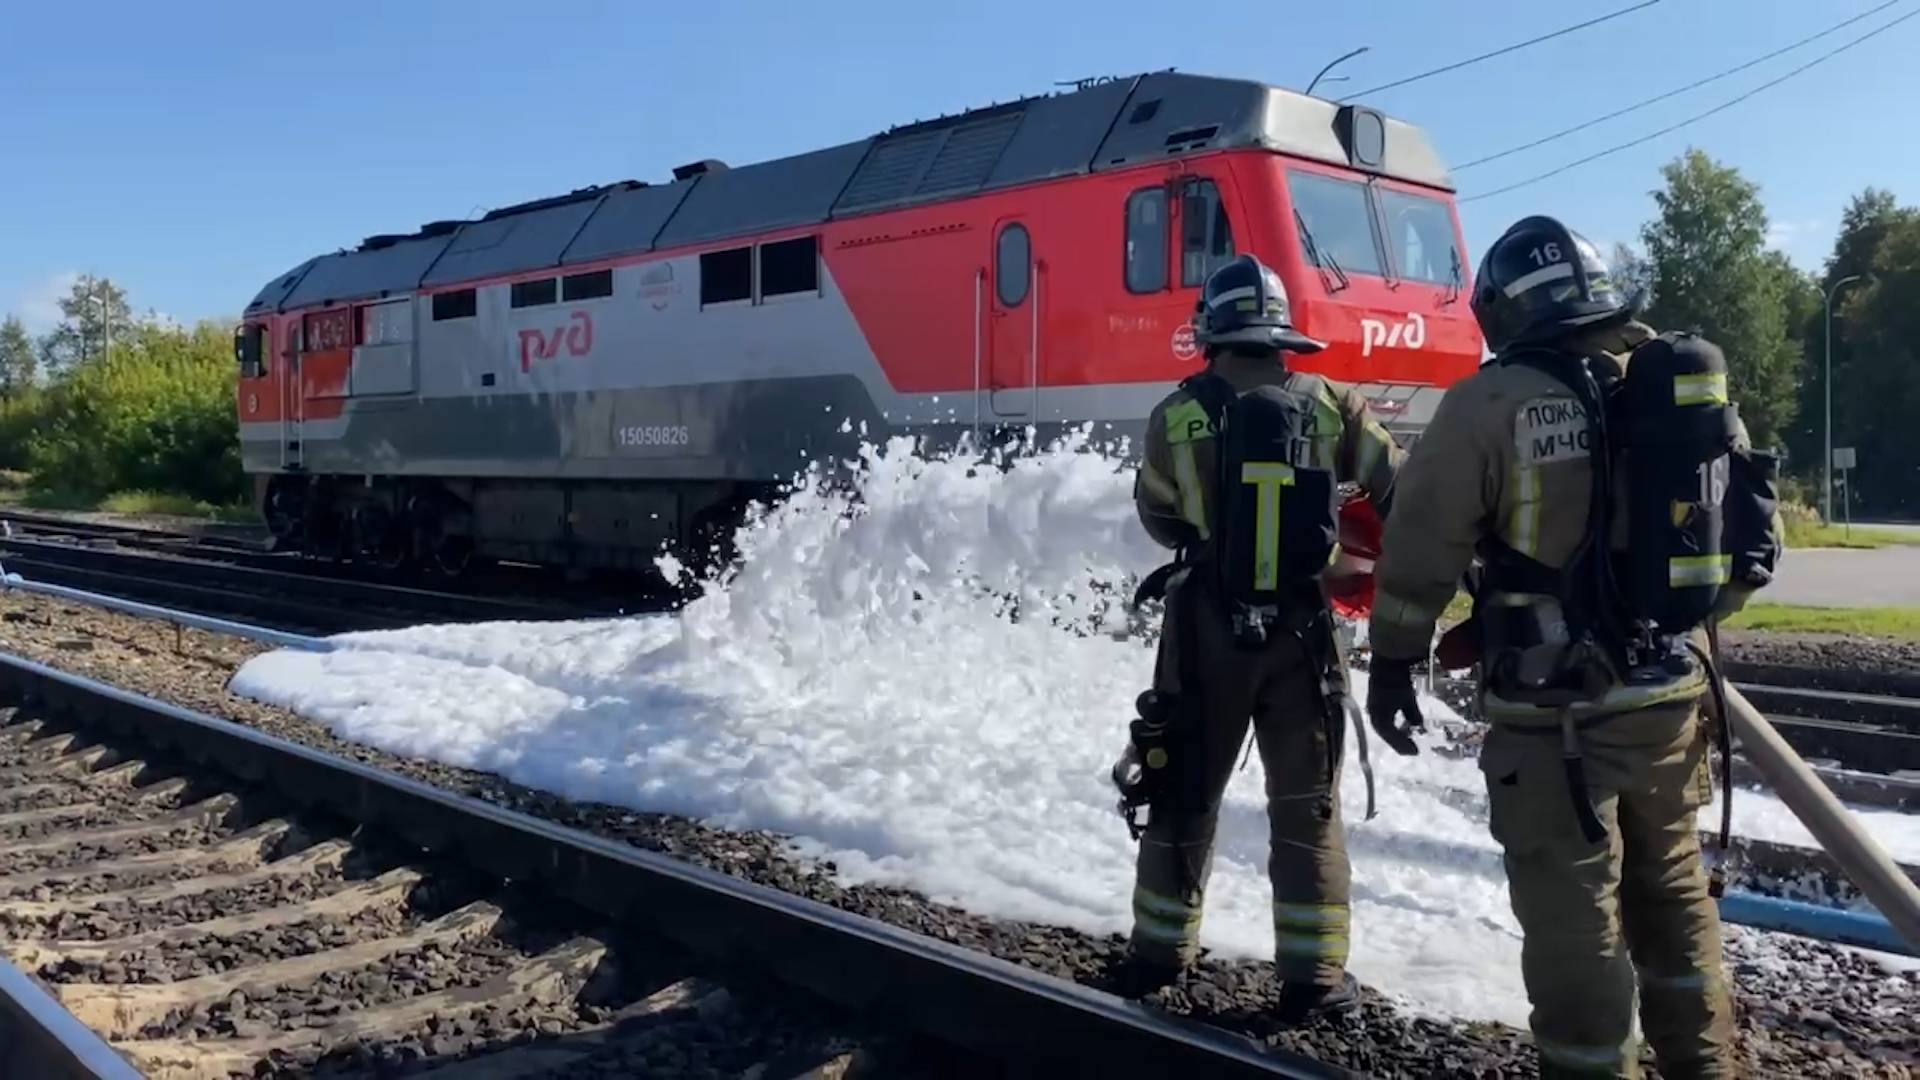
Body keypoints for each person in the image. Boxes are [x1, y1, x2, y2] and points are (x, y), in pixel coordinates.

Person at [1366, 215, 1781, 1079]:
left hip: (1554, 721)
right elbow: (1746, 541)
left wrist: (1397, 662)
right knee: (1674, 899)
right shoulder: (1671, 384)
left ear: (1503, 310)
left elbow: (1419, 549)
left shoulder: (1488, 404)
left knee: (1576, 922)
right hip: (1668, 702)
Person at [1116, 254, 1403, 1021]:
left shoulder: (1175, 415)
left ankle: (1157, 956)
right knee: (1307, 806)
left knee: (1183, 792)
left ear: (1212, 333)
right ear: (1282, 334)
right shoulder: (1334, 404)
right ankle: (1315, 980)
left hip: (1204, 630)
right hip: (1304, 633)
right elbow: (1395, 486)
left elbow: (1161, 519)